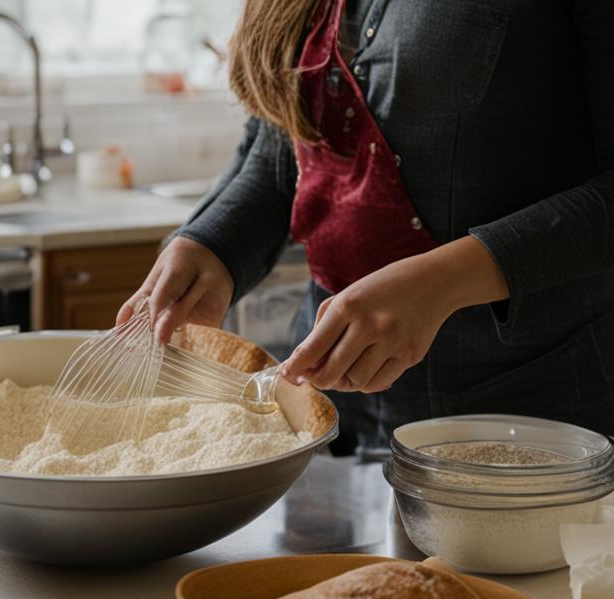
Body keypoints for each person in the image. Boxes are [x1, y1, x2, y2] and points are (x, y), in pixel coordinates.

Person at [120, 0, 614, 452]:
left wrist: (445, 280)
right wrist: (211, 246)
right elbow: (280, 146)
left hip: (530, 415)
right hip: (322, 410)